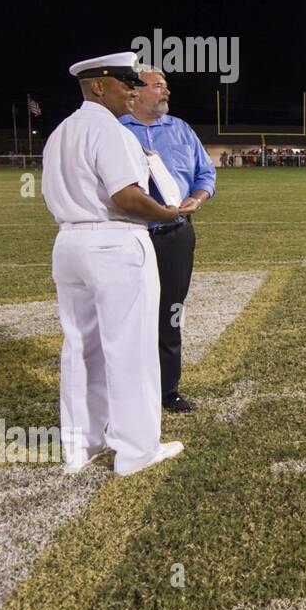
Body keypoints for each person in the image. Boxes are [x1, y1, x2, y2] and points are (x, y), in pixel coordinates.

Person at [41, 52, 190, 475]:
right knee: (131, 348)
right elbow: (125, 197)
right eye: (125, 82)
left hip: (69, 243)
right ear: (99, 86)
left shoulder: (60, 132)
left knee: (80, 348)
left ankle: (80, 446)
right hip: (115, 242)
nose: (132, 90)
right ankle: (136, 451)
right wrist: (166, 213)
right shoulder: (110, 132)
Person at [120, 66, 217, 412]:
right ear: (136, 90)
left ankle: (167, 390)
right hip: (128, 235)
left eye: (166, 86)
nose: (166, 92)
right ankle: (127, 390)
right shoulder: (115, 129)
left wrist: (199, 197)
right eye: (159, 86)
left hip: (176, 234)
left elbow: (206, 173)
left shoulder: (181, 130)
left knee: (171, 311)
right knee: (127, 313)